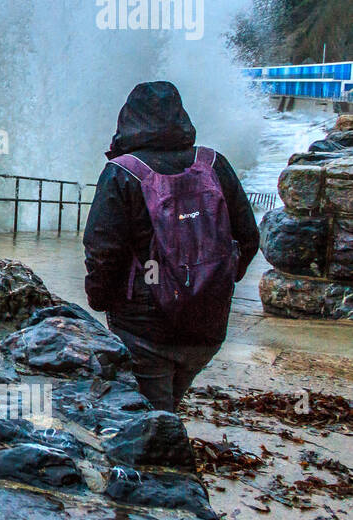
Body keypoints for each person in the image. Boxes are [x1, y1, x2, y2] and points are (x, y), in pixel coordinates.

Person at [83, 81, 259, 411]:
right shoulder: (213, 163)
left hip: (144, 329)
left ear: (128, 119)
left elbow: (103, 252)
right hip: (207, 326)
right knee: (167, 409)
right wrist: (212, 283)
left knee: (153, 419)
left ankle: (162, 450)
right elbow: (248, 237)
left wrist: (100, 299)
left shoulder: (122, 173)